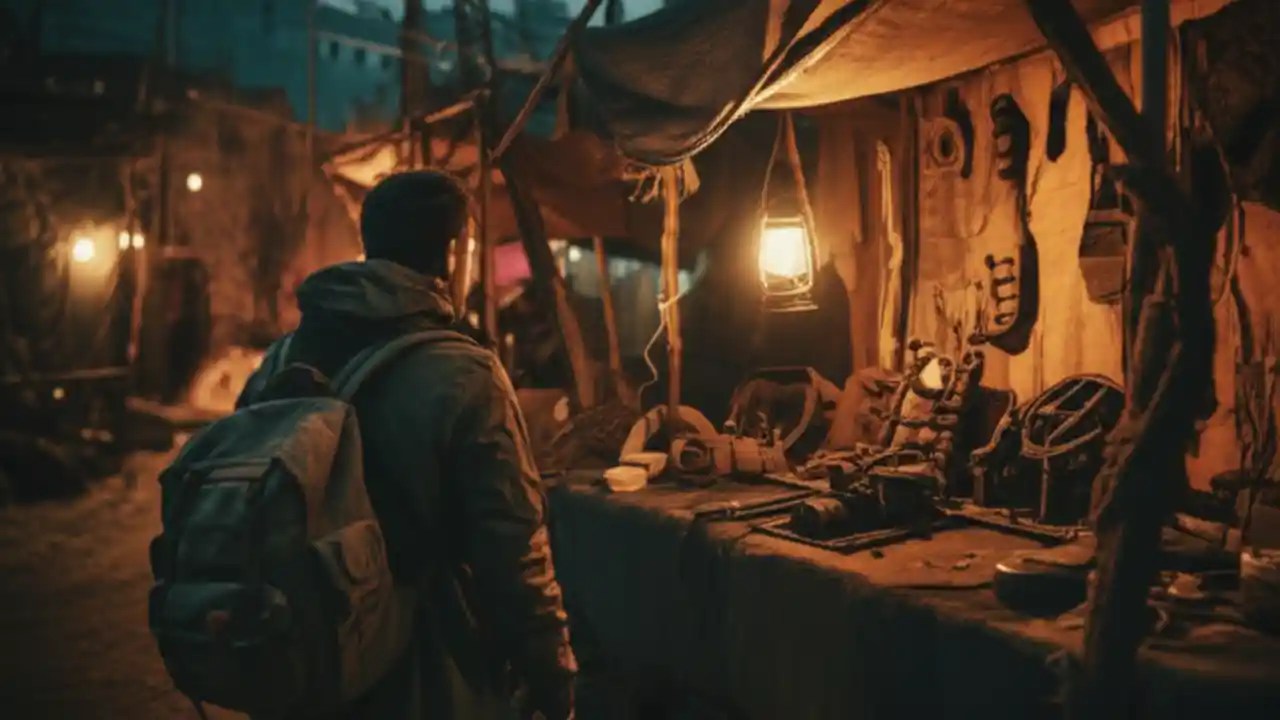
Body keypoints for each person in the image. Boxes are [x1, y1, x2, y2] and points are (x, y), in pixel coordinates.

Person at [237, 171, 576, 720]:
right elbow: (511, 544)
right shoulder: (466, 373)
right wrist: (550, 668)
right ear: (453, 252)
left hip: (299, 654)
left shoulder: (282, 359)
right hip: (420, 668)